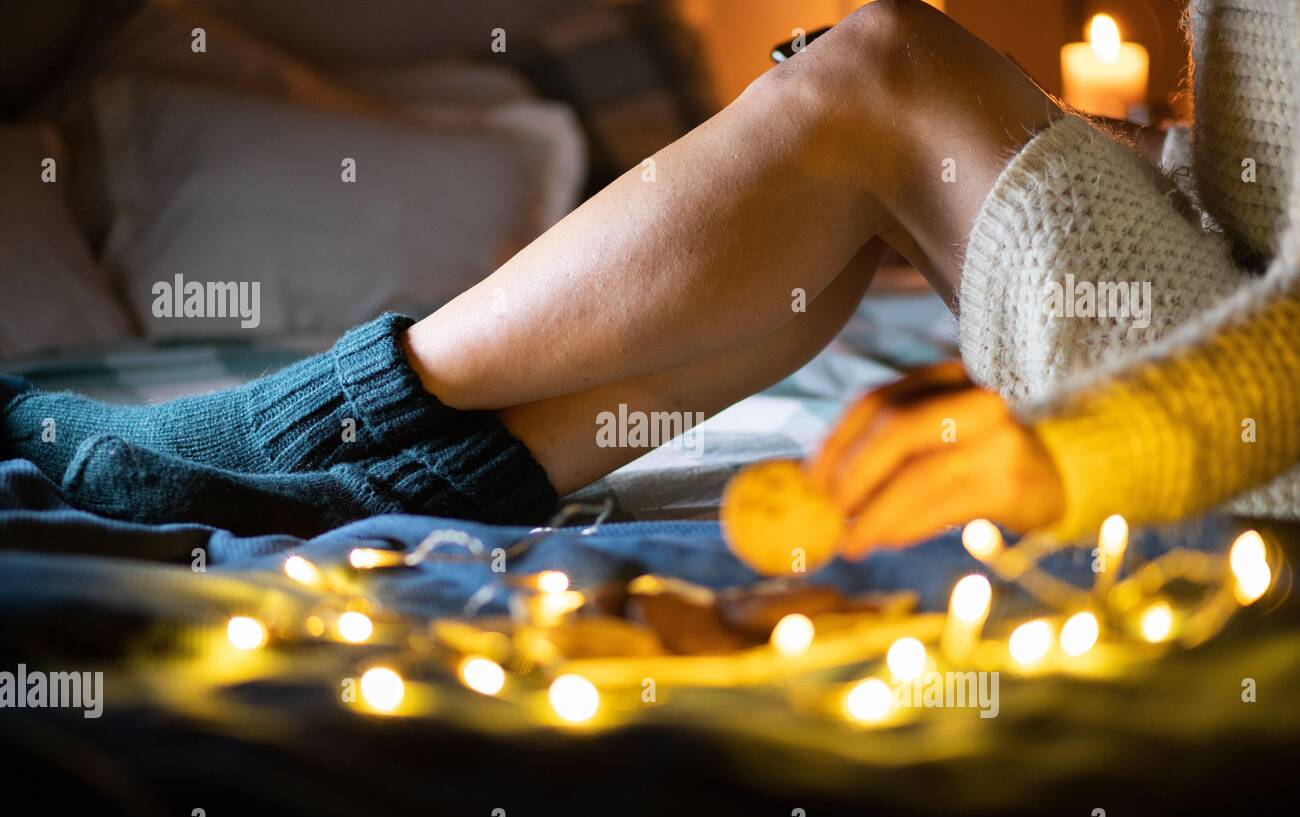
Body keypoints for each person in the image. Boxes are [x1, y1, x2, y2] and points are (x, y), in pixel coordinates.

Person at [3, 0, 1297, 548]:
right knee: (867, 96)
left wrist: (1073, 458)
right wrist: (1098, 144)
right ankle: (371, 476)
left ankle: (296, 426)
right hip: (1219, 314)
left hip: (1253, 441)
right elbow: (1266, 192)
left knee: (880, 67)